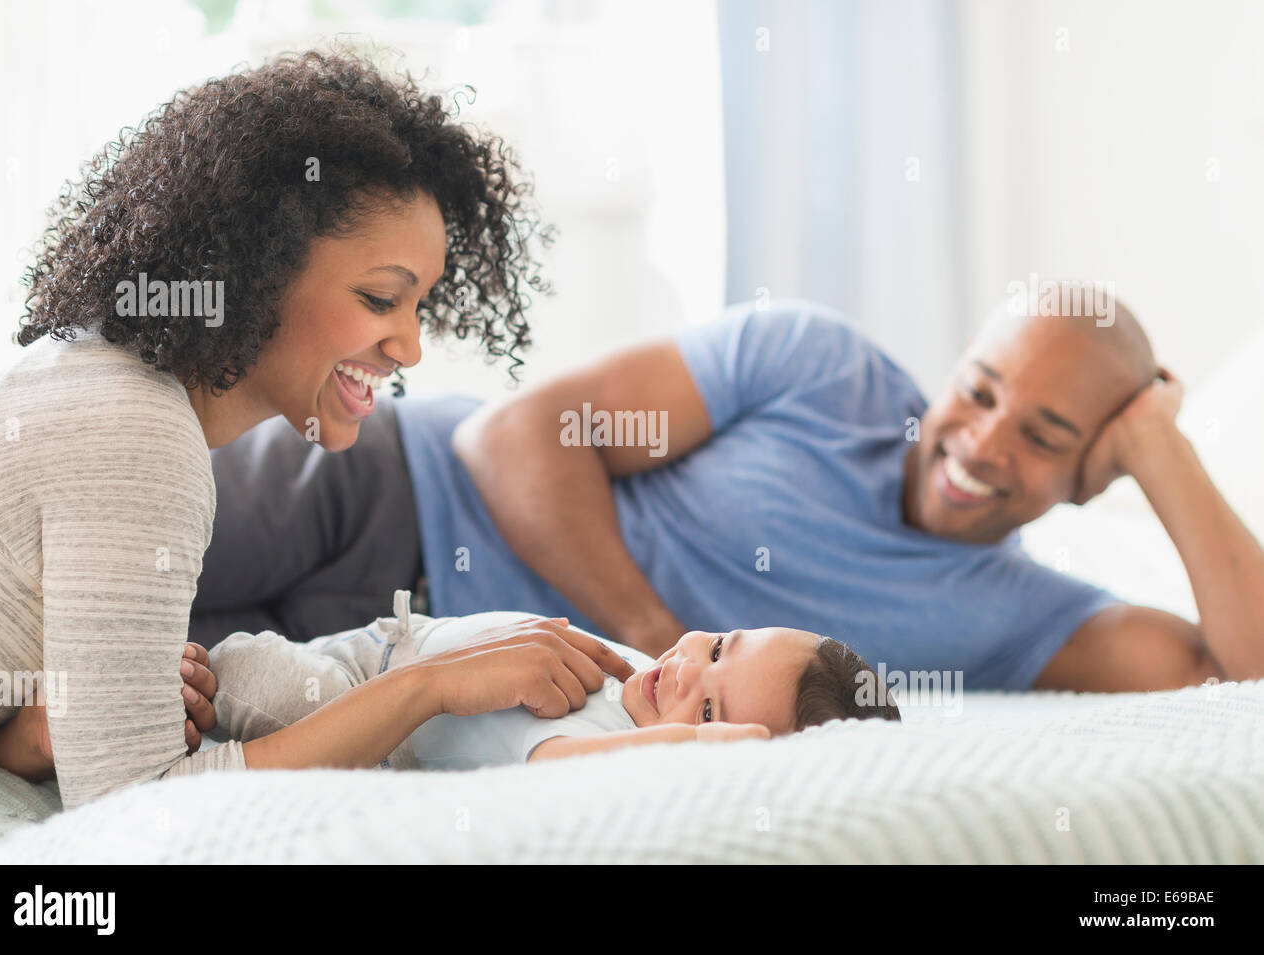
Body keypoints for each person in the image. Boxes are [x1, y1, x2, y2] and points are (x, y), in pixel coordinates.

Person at [0, 49, 634, 808]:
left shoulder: (105, 380)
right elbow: (134, 809)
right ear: (258, 271)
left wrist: (30, 736)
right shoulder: (140, 435)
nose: (411, 346)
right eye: (382, 298)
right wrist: (428, 685)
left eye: (420, 306)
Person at [191, 289, 1264, 693]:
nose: (980, 443)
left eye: (1046, 437)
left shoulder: (1021, 618)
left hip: (391, 662)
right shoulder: (816, 365)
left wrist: (1160, 448)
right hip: (385, 490)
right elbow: (521, 437)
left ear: (1090, 475)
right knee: (78, 571)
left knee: (89, 705)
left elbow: (1243, 668)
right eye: (978, 390)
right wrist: (660, 640)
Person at [205, 590, 901, 771]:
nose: (687, 668)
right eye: (720, 645)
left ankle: (186, 692)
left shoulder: (595, 742)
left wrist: (718, 745)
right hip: (377, 641)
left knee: (238, 674)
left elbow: (562, 770)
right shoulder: (643, 676)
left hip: (358, 710)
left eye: (709, 705)